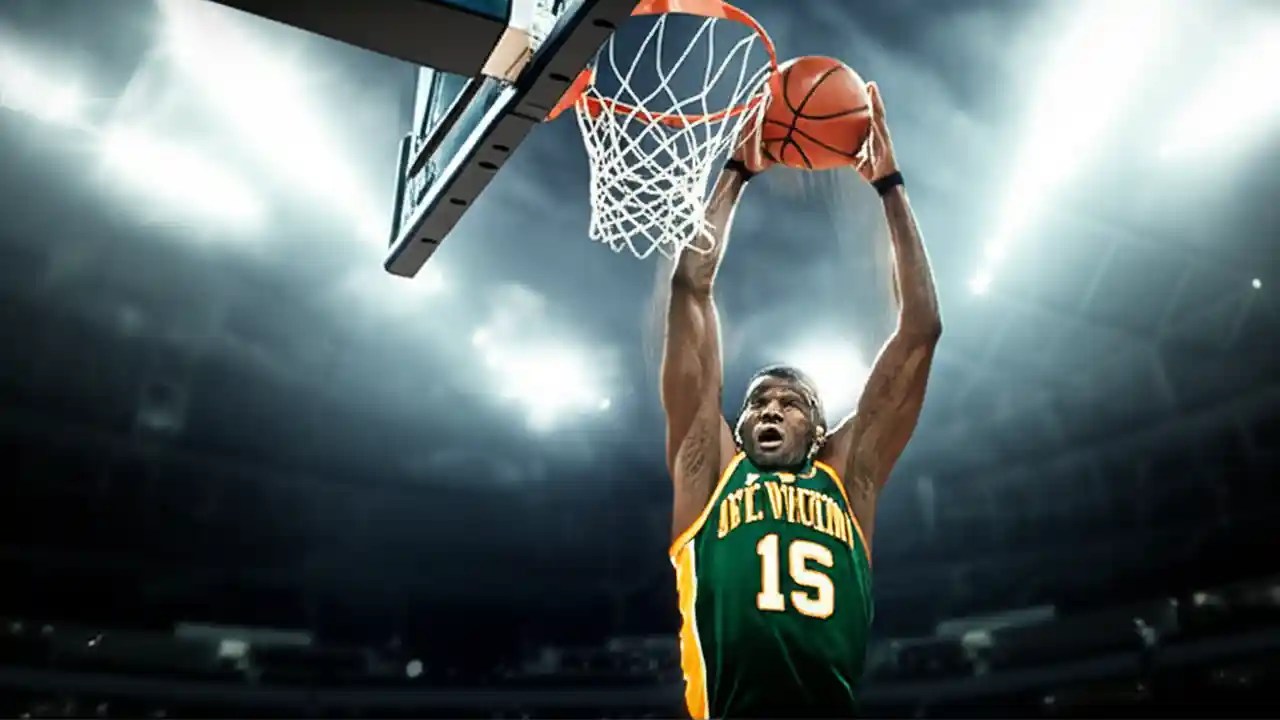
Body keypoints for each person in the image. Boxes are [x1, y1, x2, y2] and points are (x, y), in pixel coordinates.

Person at [662, 82, 942, 718]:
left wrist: (889, 185)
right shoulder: (710, 472)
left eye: (791, 403)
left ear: (820, 432)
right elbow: (689, 291)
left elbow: (921, 329)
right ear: (738, 427)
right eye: (758, 402)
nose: (769, 409)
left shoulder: (848, 479)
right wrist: (737, 172)